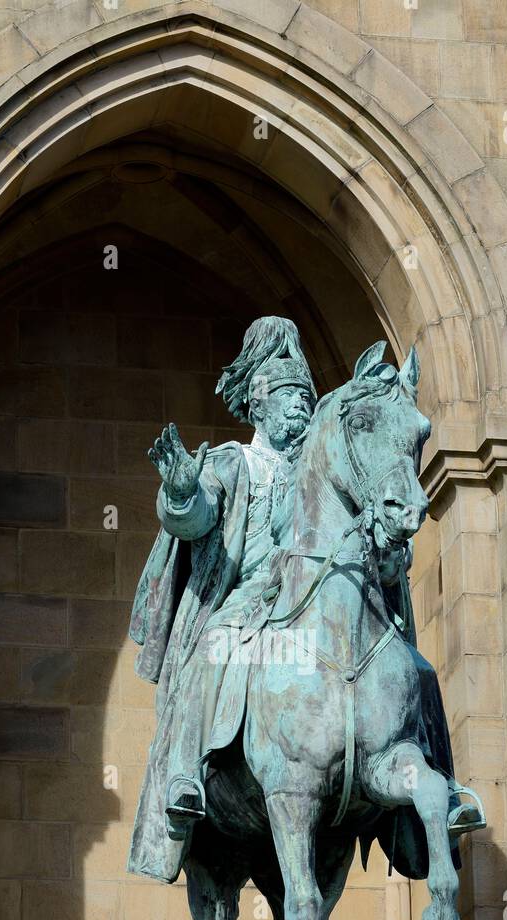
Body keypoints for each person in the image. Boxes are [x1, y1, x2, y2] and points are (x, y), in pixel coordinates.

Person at [127, 316, 316, 882]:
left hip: (313, 601)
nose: (300, 407)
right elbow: (197, 515)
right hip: (246, 600)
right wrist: (181, 489)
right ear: (259, 403)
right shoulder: (237, 462)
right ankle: (186, 774)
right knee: (212, 652)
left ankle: (425, 791)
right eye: (288, 396)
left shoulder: (319, 471)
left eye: (306, 397)